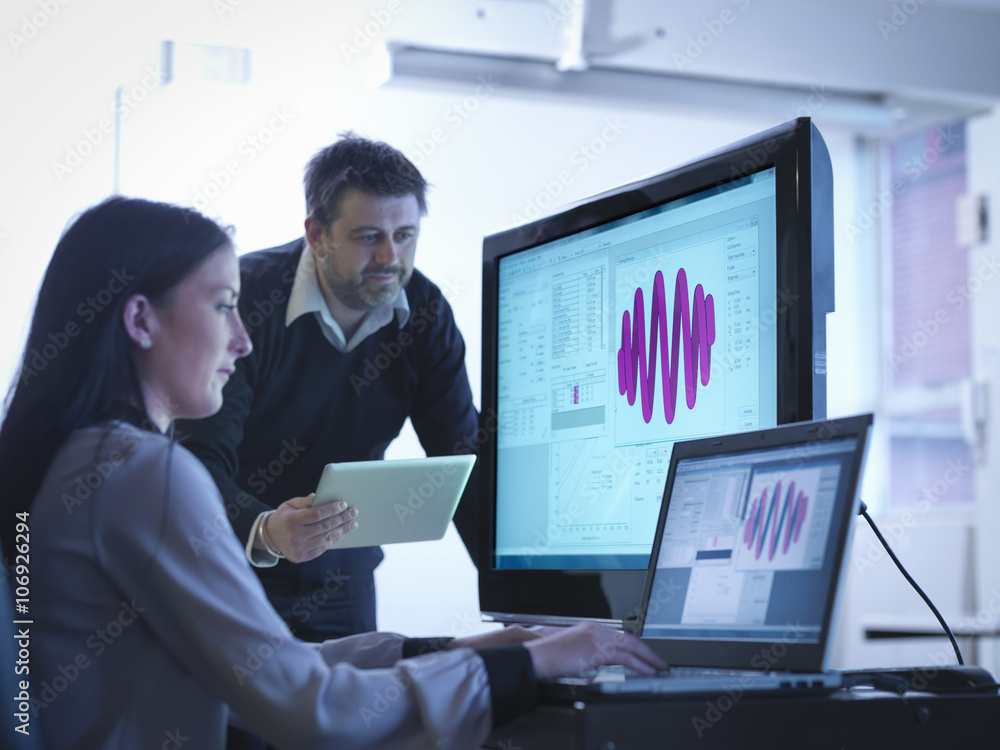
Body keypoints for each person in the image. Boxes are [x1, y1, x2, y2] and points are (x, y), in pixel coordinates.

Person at [0, 197, 665, 750]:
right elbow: (308, 708)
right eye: (221, 305)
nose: (243, 338)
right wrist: (523, 663)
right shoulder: (142, 474)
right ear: (141, 319)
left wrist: (462, 648)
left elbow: (276, 671)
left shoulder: (74, 459)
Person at [178, 132, 482, 642]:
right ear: (316, 234)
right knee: (239, 720)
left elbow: (465, 457)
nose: (390, 257)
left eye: (405, 235)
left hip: (343, 577)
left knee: (349, 715)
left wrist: (523, 601)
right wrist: (267, 529)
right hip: (232, 563)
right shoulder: (245, 299)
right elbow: (197, 459)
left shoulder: (426, 313)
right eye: (369, 237)